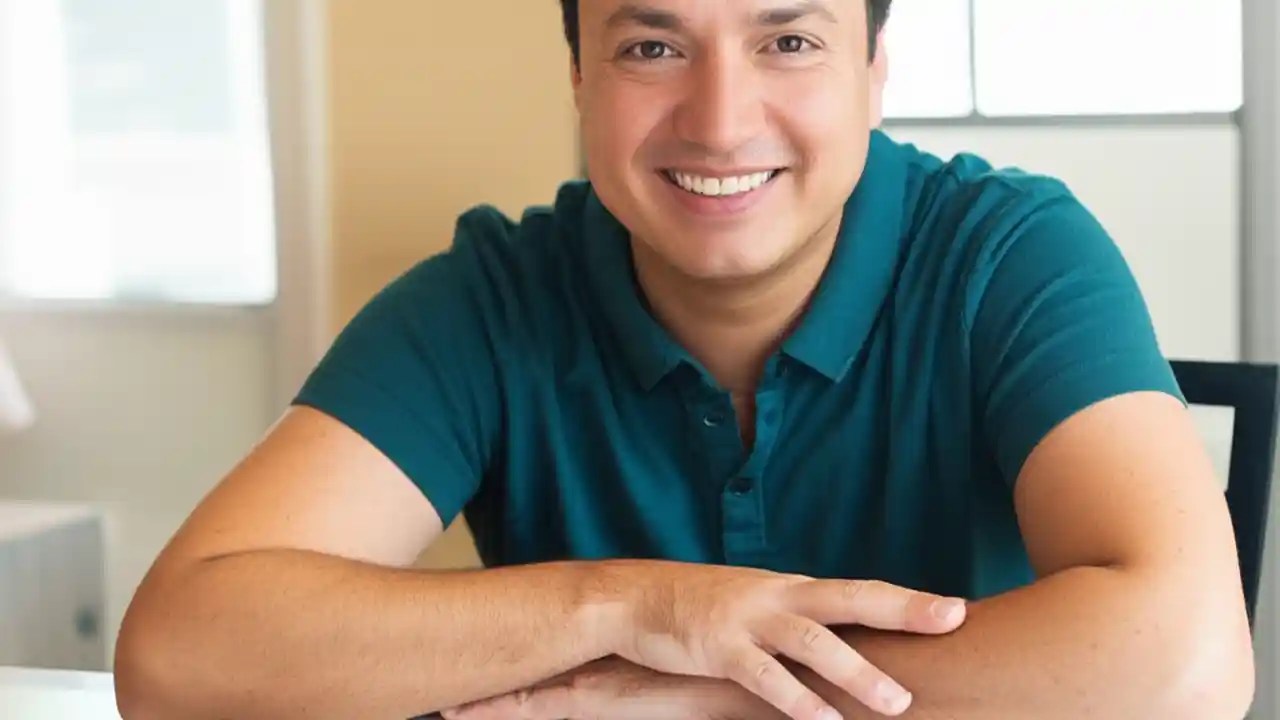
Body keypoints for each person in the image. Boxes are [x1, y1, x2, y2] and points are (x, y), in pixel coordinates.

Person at [113, 1, 1255, 718]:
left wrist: (697, 693)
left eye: (788, 41)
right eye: (652, 44)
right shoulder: (487, 298)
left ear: (872, 70)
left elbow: (1187, 666)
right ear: (578, 78)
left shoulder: (1009, 254)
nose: (717, 122)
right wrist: (629, 604)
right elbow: (179, 660)